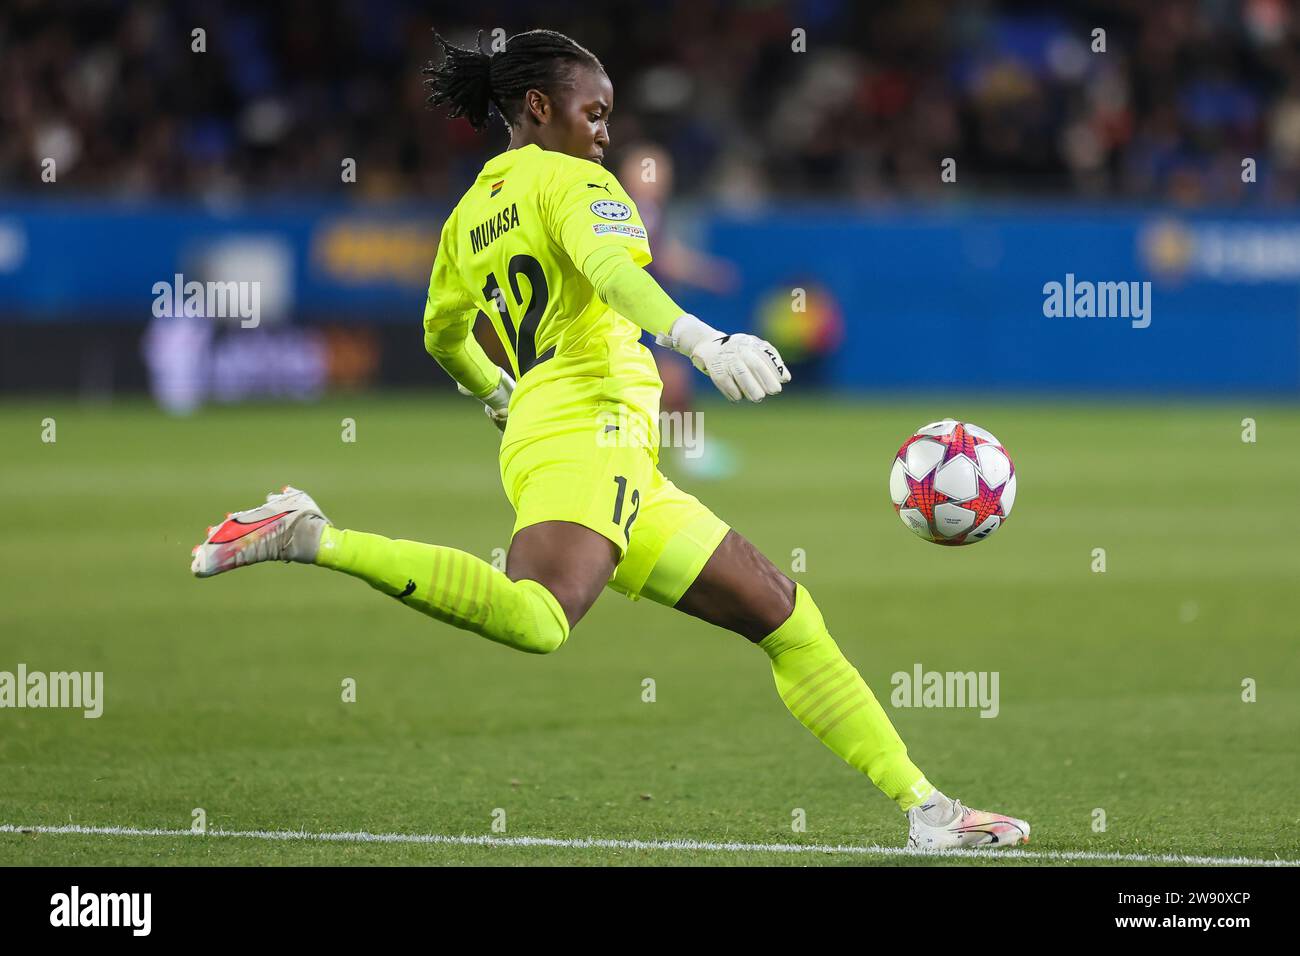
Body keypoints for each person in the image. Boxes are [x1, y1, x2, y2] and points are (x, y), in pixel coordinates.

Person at [190, 28, 1029, 851]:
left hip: (598, 448)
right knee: (538, 619)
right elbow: (616, 272)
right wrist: (702, 340)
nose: (603, 132)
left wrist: (495, 394)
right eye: (593, 112)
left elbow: (441, 333)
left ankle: (929, 812)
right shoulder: (574, 184)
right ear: (537, 105)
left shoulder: (469, 214)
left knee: (785, 616)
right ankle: (309, 534)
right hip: (589, 430)